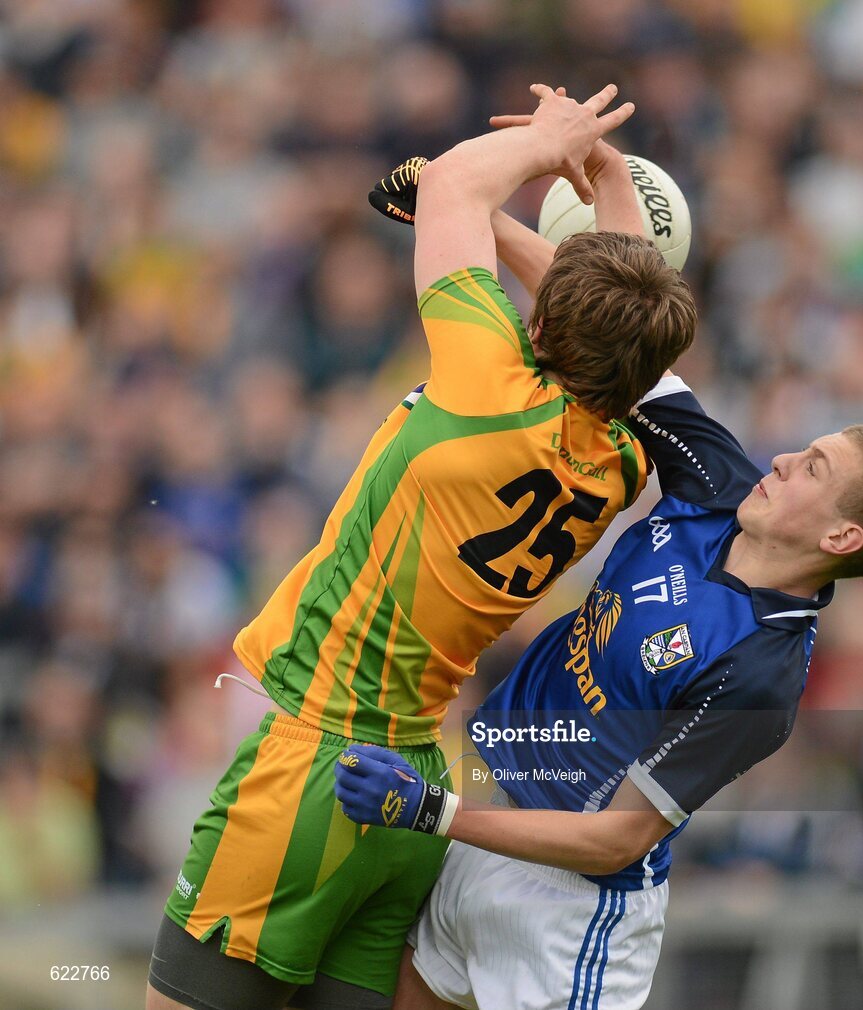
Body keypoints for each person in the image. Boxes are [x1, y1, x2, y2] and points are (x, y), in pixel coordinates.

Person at [334, 146, 863, 1010]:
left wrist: (430, 813)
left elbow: (617, 838)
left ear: (844, 534)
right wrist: (468, 212)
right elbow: (618, 334)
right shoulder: (724, 488)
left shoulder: (760, 674)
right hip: (481, 818)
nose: (781, 460)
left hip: (568, 913)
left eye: (812, 468)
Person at [146, 85, 699, 1010]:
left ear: (543, 320)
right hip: (409, 786)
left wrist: (552, 140)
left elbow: (447, 184)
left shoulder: (488, 383)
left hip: (310, 769)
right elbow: (619, 311)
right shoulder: (626, 457)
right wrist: (602, 171)